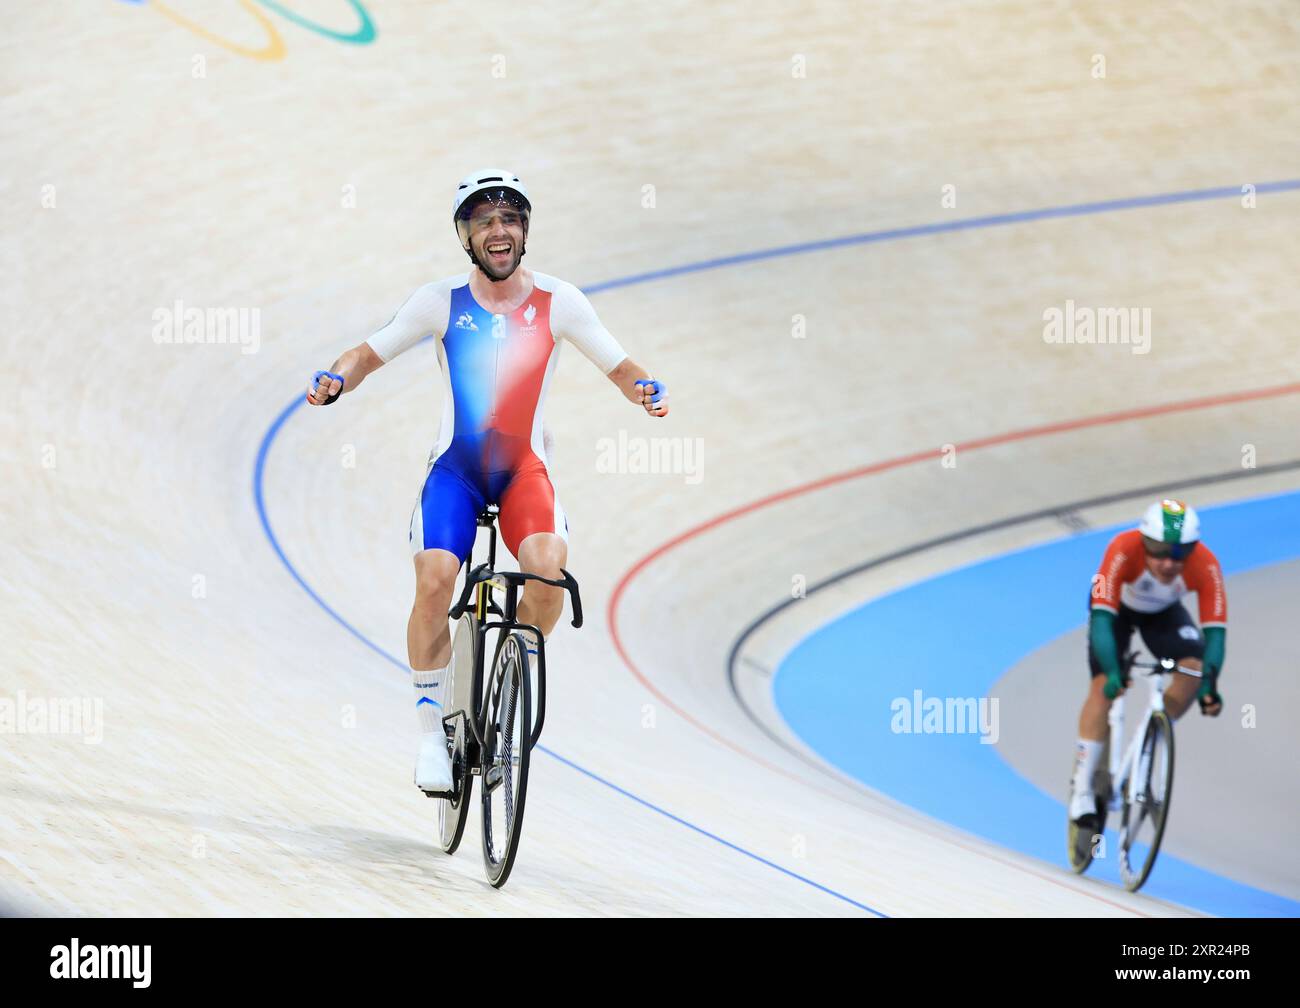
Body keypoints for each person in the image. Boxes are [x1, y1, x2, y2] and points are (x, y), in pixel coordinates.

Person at [306, 169, 669, 794]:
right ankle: (430, 738)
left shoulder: (561, 302)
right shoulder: (438, 302)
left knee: (549, 570)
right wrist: (337, 378)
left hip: (524, 469)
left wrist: (643, 387)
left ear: (524, 232)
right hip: (458, 471)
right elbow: (369, 352)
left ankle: (508, 684)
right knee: (435, 579)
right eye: (484, 223)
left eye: (508, 220)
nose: (497, 232)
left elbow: (617, 361)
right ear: (465, 237)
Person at [1066, 498, 1226, 856]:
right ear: (1144, 542)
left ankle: (1151, 738)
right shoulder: (1123, 549)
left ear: (1193, 550)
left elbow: (1216, 634)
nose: (1169, 563)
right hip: (1115, 614)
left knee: (1193, 671)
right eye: (1158, 551)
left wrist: (1210, 685)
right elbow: (1102, 620)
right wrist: (1111, 673)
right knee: (1103, 689)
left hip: (1163, 614)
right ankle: (1082, 793)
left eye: (1179, 554)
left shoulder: (1205, 564)